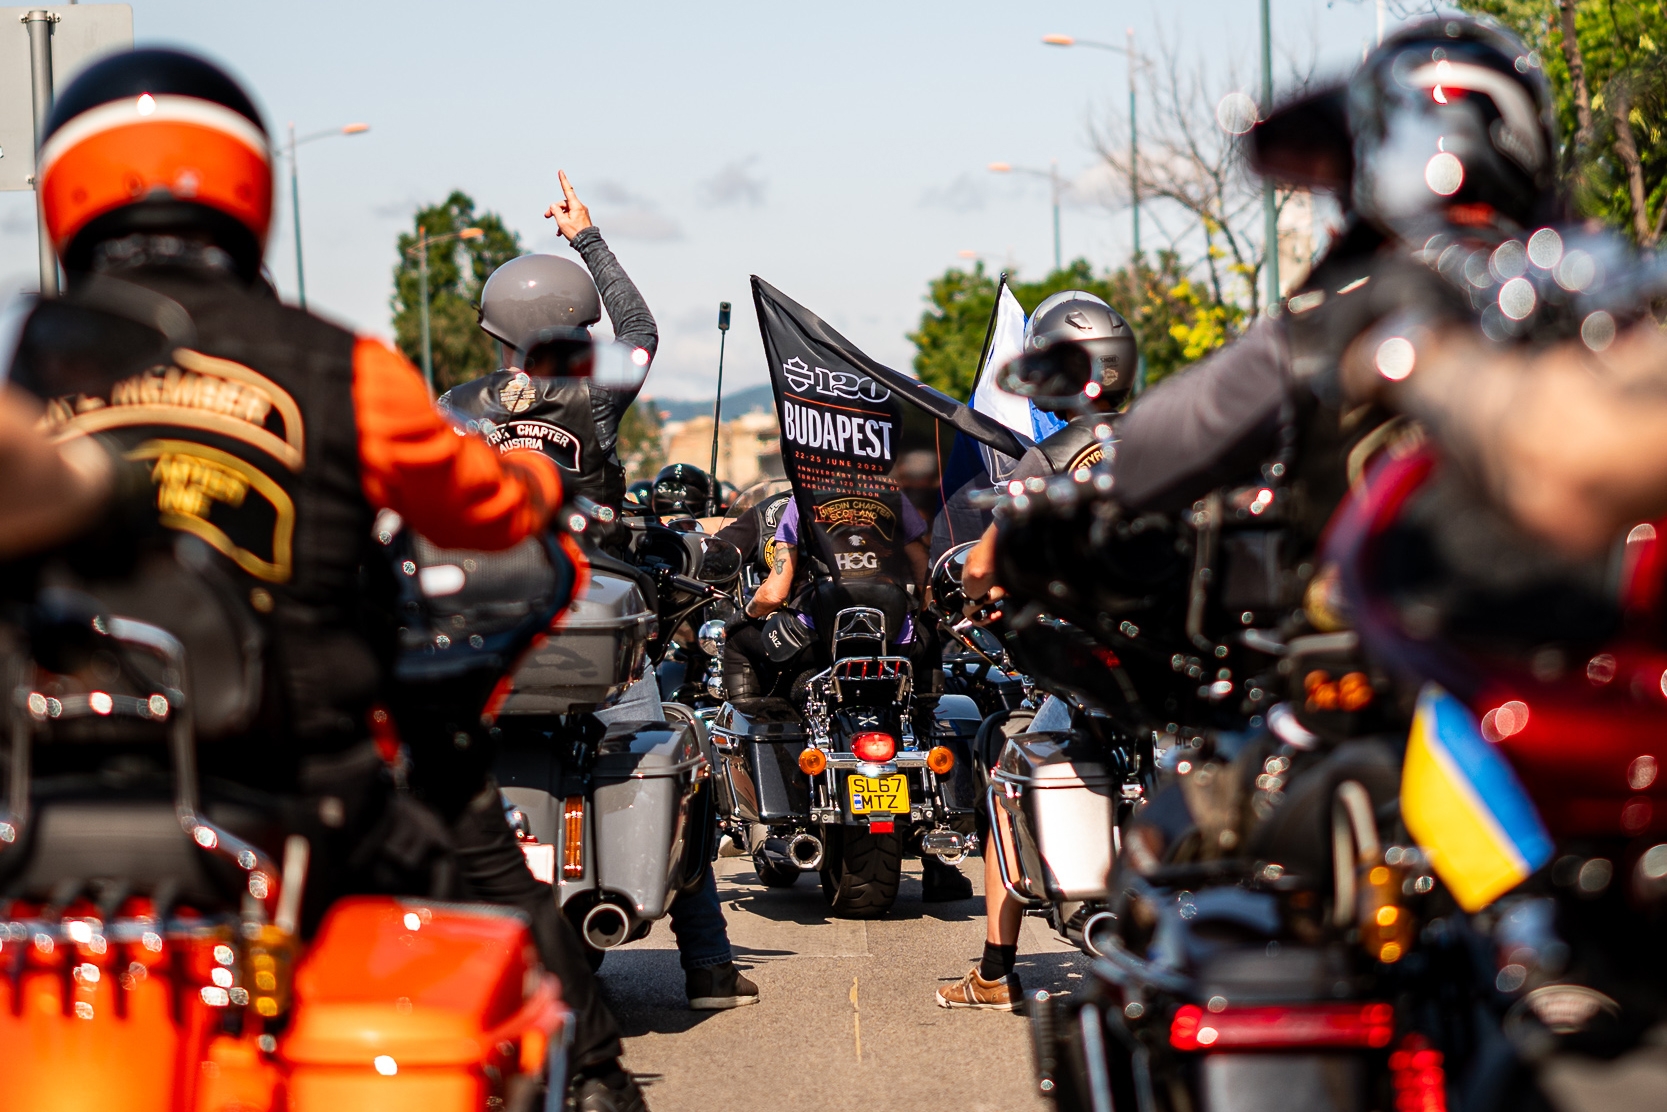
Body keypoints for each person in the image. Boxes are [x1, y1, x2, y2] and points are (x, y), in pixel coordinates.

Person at [13, 49, 645, 1112]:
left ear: (67, 195)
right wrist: (536, 484)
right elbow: (477, 504)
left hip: (35, 789)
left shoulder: (24, 369)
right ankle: (591, 1078)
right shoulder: (337, 365)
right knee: (477, 853)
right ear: (249, 195)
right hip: (294, 782)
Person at [936, 292, 1137, 1012]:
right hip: (1175, 672)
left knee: (1005, 780)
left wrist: (967, 589)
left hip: (1086, 667)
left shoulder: (1045, 459)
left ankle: (994, 972)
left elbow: (983, 567)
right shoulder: (1170, 438)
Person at [440, 171, 657, 555]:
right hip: (597, 574)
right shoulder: (596, 396)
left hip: (497, 587)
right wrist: (586, 238)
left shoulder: (454, 406)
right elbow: (639, 329)